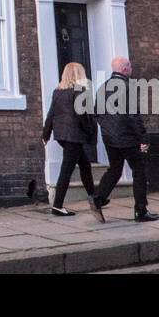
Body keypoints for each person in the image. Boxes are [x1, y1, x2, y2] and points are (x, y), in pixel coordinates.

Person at [88, 57, 159, 223]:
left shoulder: (103, 87)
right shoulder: (128, 87)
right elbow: (133, 115)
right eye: (130, 66)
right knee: (139, 171)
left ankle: (98, 198)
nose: (131, 68)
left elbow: (96, 113)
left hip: (109, 138)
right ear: (125, 69)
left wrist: (108, 128)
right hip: (127, 138)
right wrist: (143, 137)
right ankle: (141, 211)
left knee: (115, 169)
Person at [41, 61, 98, 217]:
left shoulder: (58, 92)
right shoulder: (80, 90)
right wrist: (89, 130)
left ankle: (96, 198)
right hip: (74, 136)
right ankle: (57, 206)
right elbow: (83, 115)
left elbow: (51, 114)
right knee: (66, 170)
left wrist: (46, 134)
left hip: (62, 135)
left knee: (85, 165)